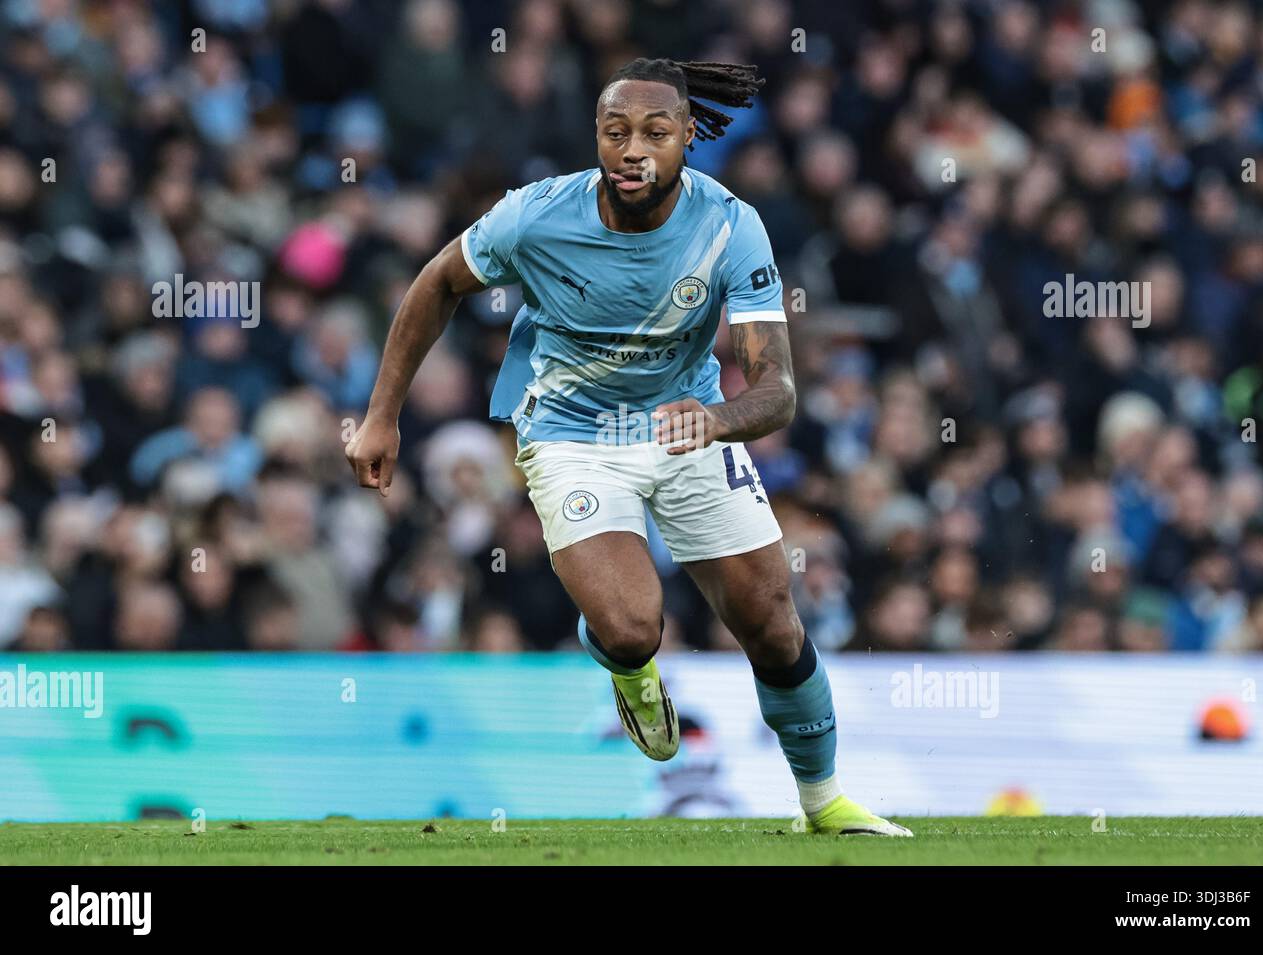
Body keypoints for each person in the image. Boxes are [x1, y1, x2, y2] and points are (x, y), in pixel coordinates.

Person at [345, 58, 910, 836]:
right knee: (633, 626)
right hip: (572, 436)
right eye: (615, 132)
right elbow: (435, 283)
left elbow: (777, 389)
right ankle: (626, 666)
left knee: (772, 619)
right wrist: (383, 416)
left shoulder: (729, 224)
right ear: (597, 140)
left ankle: (823, 802)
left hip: (689, 423)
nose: (632, 149)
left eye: (654, 131)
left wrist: (716, 421)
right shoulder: (535, 215)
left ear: (687, 138)